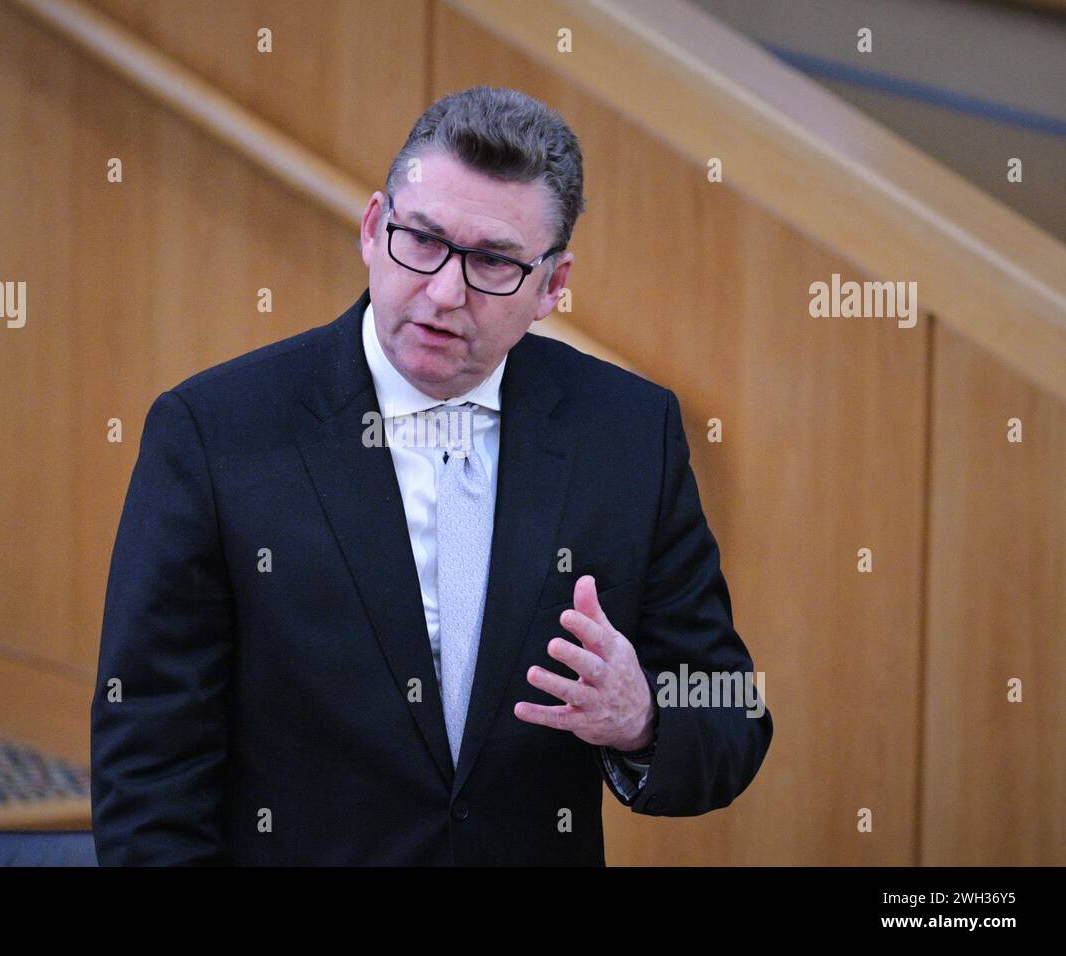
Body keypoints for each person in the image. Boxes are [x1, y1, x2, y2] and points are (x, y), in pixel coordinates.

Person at [91, 85, 772, 865]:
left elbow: (731, 712)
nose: (445, 294)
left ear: (553, 286)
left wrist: (642, 716)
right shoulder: (216, 432)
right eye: (422, 241)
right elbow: (149, 748)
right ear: (376, 227)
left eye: (492, 262)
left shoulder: (627, 434)